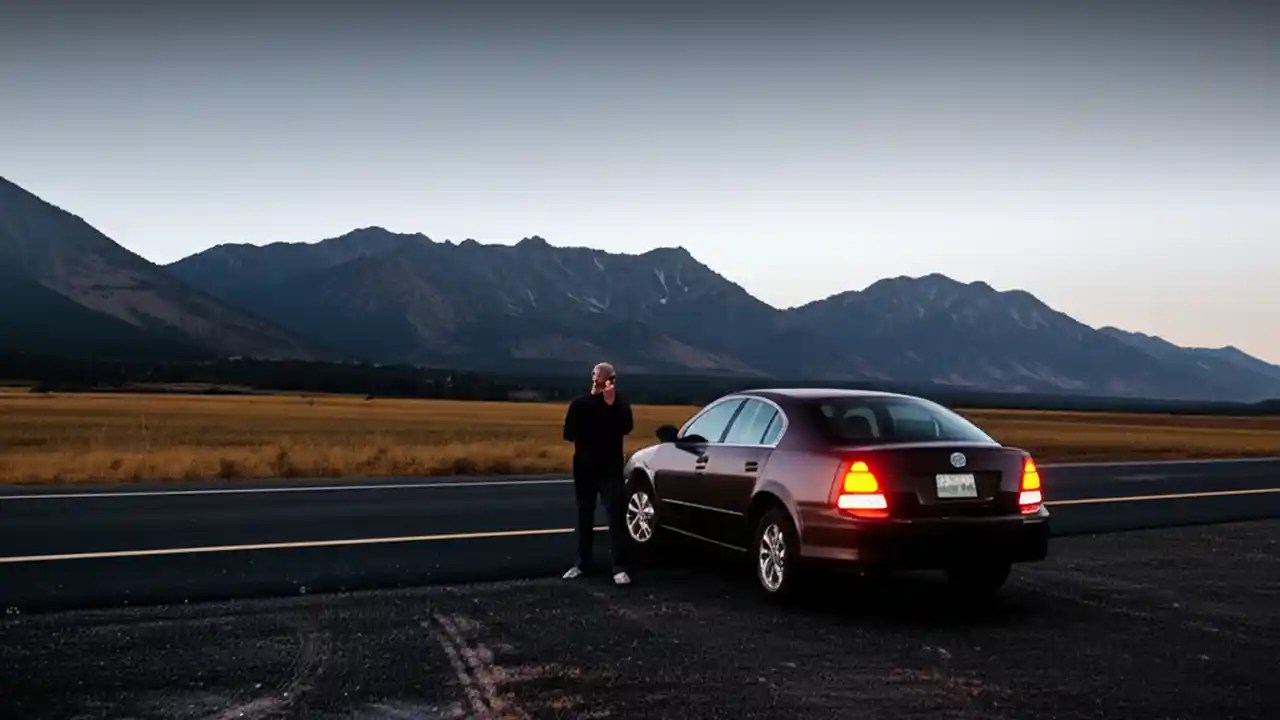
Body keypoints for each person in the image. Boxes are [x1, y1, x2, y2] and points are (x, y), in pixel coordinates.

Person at [561, 361, 634, 585]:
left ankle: (619, 566)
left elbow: (626, 427)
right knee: (585, 515)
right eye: (595, 375)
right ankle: (582, 564)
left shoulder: (619, 405)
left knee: (615, 517)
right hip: (585, 468)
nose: (596, 379)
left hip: (610, 469)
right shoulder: (580, 404)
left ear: (610, 379)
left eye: (601, 376)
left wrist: (610, 406)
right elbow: (570, 433)